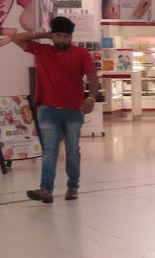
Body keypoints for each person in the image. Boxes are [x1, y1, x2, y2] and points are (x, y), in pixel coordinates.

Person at [0, 16, 100, 204]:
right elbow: (16, 38)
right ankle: (46, 190)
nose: (62, 40)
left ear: (71, 36)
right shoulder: (42, 50)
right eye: (58, 36)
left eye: (66, 36)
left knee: (72, 151)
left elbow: (94, 80)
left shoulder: (81, 54)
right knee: (50, 151)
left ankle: (73, 187)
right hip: (48, 110)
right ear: (52, 35)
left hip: (73, 111)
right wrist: (44, 34)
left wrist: (91, 98)